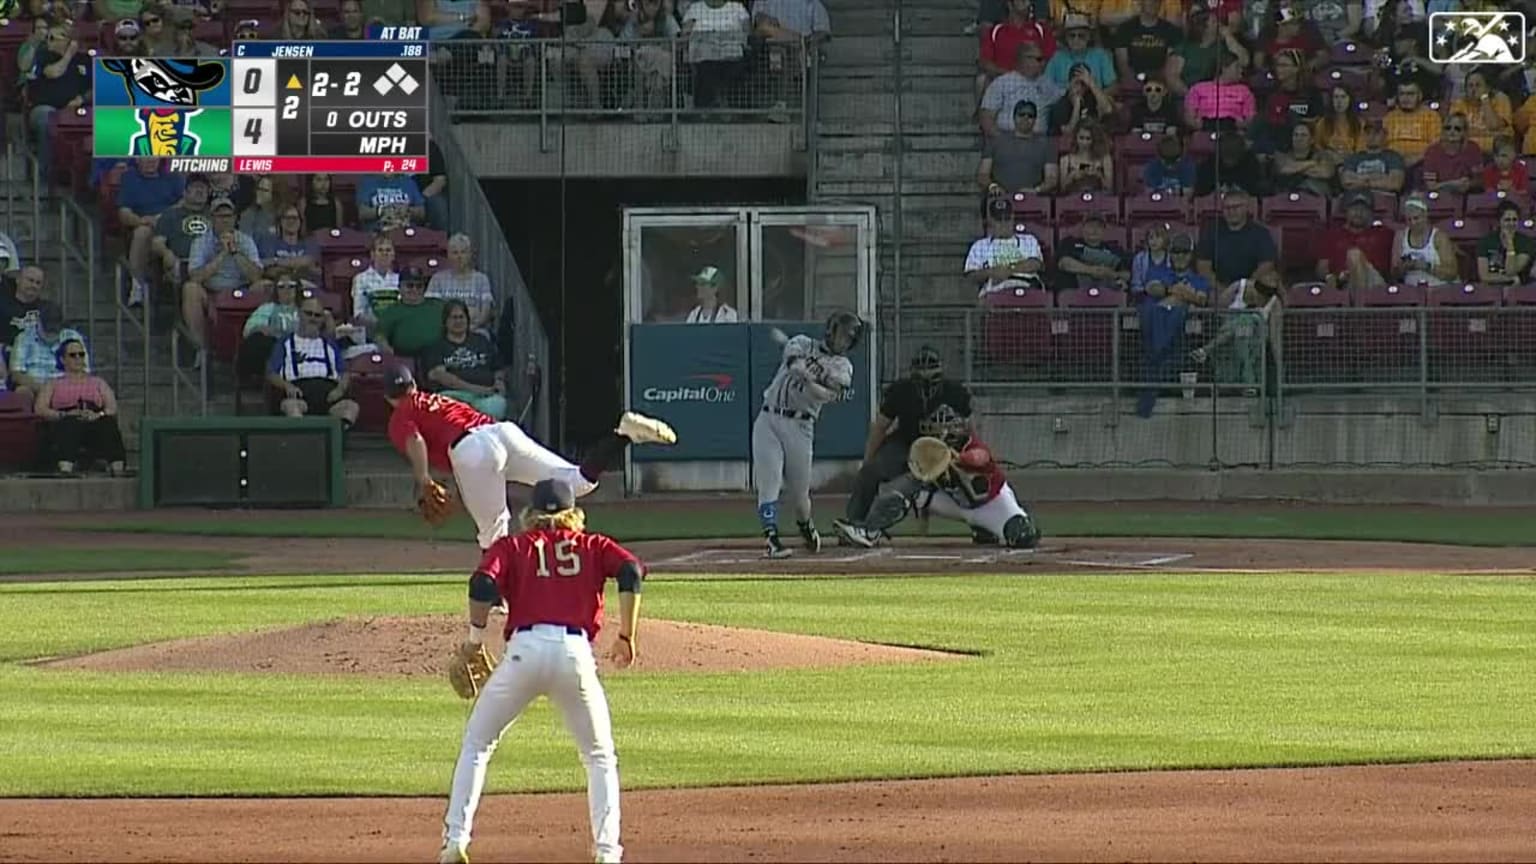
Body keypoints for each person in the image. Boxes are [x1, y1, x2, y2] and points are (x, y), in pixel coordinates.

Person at [437, 478, 640, 864]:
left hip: (523, 654)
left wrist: (475, 639)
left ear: (531, 514)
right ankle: (608, 852)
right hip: (575, 655)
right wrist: (627, 635)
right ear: (573, 515)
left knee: (478, 745)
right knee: (599, 757)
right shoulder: (593, 545)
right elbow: (630, 570)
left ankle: (455, 842)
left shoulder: (513, 546)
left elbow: (482, 584)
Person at [386, 368, 677, 551]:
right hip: (503, 432)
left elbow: (415, 440)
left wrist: (423, 479)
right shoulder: (438, 399)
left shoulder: (401, 413)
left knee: (493, 532)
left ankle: (497, 599)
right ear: (414, 385)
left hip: (471, 449)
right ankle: (623, 435)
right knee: (575, 484)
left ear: (389, 397)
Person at [831, 405, 1040, 550]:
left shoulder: (972, 446)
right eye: (936, 430)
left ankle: (989, 528)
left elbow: (981, 457)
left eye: (946, 429)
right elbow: (920, 478)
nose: (941, 434)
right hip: (956, 504)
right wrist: (924, 523)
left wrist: (956, 458)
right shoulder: (930, 453)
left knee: (1022, 535)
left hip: (990, 504)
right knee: (904, 491)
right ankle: (870, 531)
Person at [754, 311, 862, 559]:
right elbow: (793, 364)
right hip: (768, 419)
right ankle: (772, 539)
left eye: (849, 338)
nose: (844, 341)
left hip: (800, 428)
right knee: (769, 483)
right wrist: (804, 371)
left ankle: (805, 524)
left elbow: (828, 393)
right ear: (830, 330)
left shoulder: (844, 366)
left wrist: (814, 377)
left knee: (801, 495)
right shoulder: (802, 342)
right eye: (842, 335)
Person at [836, 345, 974, 539]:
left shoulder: (955, 393)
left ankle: (983, 525)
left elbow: (970, 430)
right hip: (905, 443)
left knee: (970, 482)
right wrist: (868, 460)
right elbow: (880, 427)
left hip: (941, 450)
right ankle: (856, 524)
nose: (926, 383)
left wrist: (968, 456)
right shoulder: (900, 391)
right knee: (870, 471)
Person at [422, 299, 509, 419]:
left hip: (486, 395)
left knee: (497, 406)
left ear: (467, 320)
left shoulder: (482, 341)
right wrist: (476, 389)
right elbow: (439, 375)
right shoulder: (437, 347)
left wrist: (499, 381)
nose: (458, 321)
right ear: (445, 322)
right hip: (454, 395)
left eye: (461, 317)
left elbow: (498, 368)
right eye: (454, 318)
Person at [1319, 192, 1394, 296]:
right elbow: (1321, 268)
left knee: (1354, 255)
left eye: (1363, 209)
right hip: (1342, 284)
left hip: (1375, 285)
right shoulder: (1333, 235)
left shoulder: (1383, 233)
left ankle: (1359, 306)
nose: (1358, 213)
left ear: (1371, 213)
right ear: (1346, 211)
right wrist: (1330, 277)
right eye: (1354, 209)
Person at [1475, 201, 1535, 293]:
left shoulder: (1526, 242)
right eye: (1507, 220)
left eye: (1514, 220)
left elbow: (1511, 270)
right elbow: (1484, 276)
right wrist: (1508, 279)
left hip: (1517, 289)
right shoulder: (1485, 242)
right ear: (1499, 221)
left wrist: (1510, 244)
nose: (1511, 223)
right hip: (1491, 287)